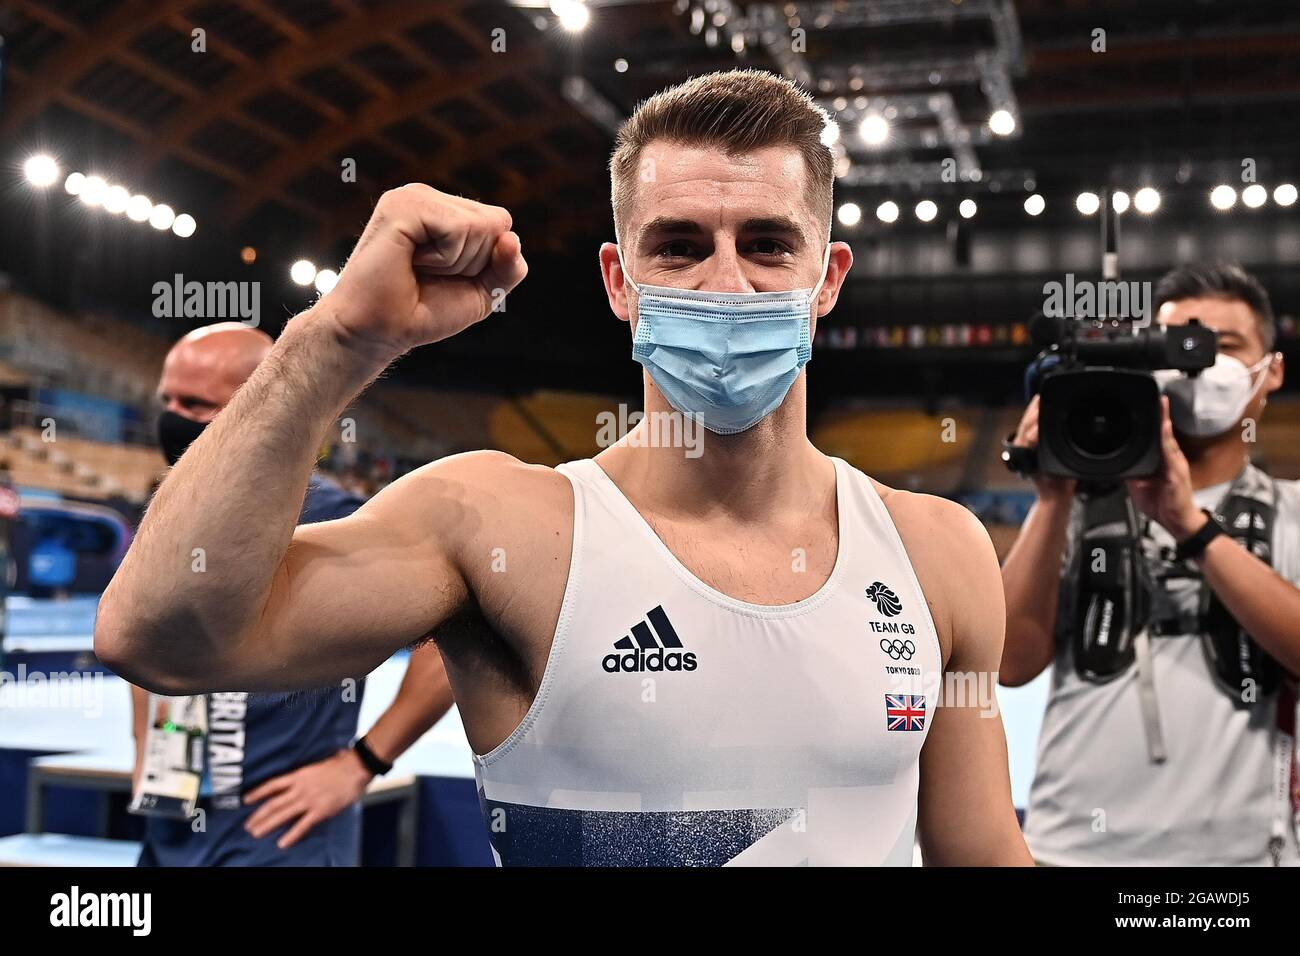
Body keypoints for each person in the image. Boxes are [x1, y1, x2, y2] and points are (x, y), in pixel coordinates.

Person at [98, 70, 1030, 866]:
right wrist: (334, 340)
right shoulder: (493, 523)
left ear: (825, 279)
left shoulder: (938, 551)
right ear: (620, 282)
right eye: (678, 246)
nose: (725, 282)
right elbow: (160, 640)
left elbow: (983, 854)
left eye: (767, 244)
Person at [1001, 262, 1300, 866]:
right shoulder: (1078, 506)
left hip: (1239, 862)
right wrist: (1054, 496)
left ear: (1271, 373)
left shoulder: (1292, 510)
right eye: (1178, 345)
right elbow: (1009, 663)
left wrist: (1187, 524)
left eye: (1225, 346)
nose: (1198, 366)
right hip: (1072, 852)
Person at [129, 323, 454, 866]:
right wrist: (146, 752)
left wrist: (363, 764)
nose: (172, 418)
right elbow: (145, 645)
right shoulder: (165, 521)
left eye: (195, 403)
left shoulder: (339, 522)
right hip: (172, 827)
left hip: (278, 835)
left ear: (259, 406)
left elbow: (447, 643)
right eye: (168, 400)